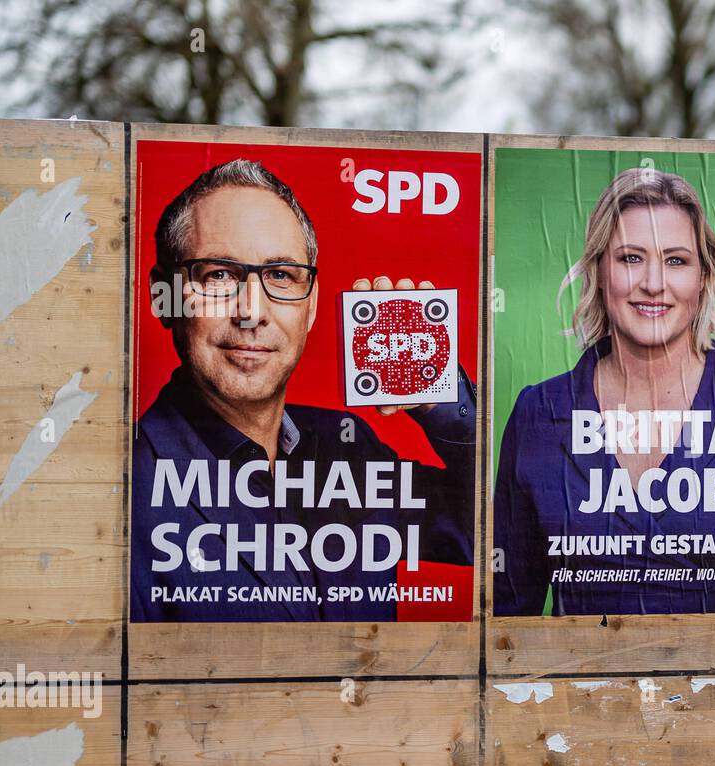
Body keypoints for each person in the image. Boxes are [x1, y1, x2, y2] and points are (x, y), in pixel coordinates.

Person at [131, 158, 475, 622]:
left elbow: (511, 528)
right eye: (218, 275)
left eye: (281, 276)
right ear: (163, 297)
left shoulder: (349, 449)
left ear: (310, 307)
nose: (252, 311)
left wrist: (437, 389)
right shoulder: (125, 491)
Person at [493, 167, 715, 616]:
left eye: (676, 260)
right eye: (630, 258)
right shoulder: (539, 413)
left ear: (703, 277)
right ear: (600, 271)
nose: (654, 283)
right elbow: (506, 610)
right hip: (572, 685)